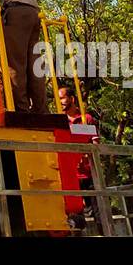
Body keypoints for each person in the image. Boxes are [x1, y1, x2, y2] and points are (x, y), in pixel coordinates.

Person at [58, 85, 100, 232]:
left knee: (98, 211)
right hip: (71, 177)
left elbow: (95, 143)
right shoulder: (60, 122)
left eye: (62, 97)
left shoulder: (86, 118)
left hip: (88, 174)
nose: (60, 101)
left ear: (72, 99)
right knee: (75, 217)